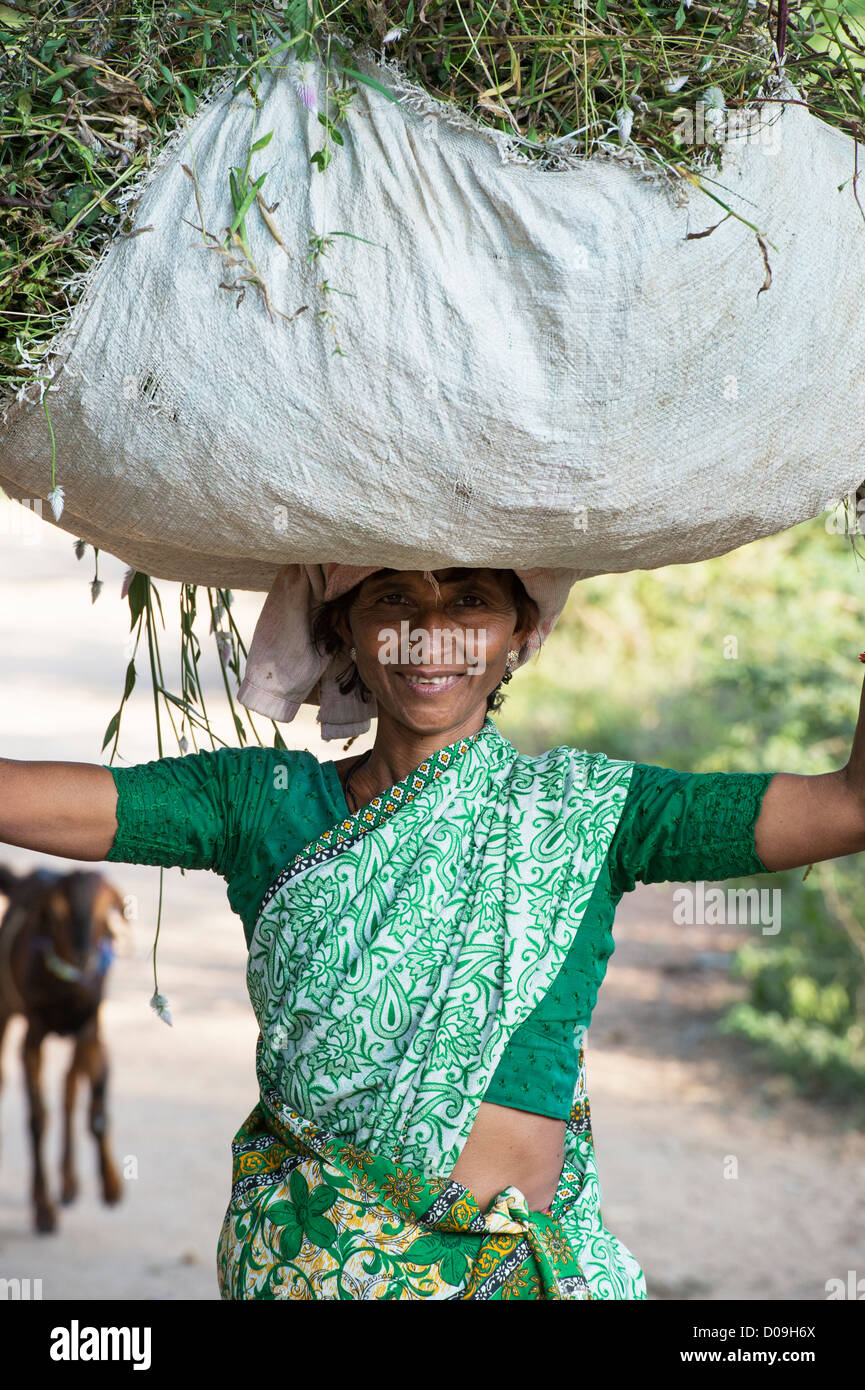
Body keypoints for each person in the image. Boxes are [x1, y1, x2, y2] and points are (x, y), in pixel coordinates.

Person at [3, 564, 865, 1301]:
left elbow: (846, 807)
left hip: (514, 1269)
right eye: (391, 601)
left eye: (469, 602)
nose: (429, 633)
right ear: (343, 628)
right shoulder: (256, 805)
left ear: (520, 629)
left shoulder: (590, 813)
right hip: (318, 1263)